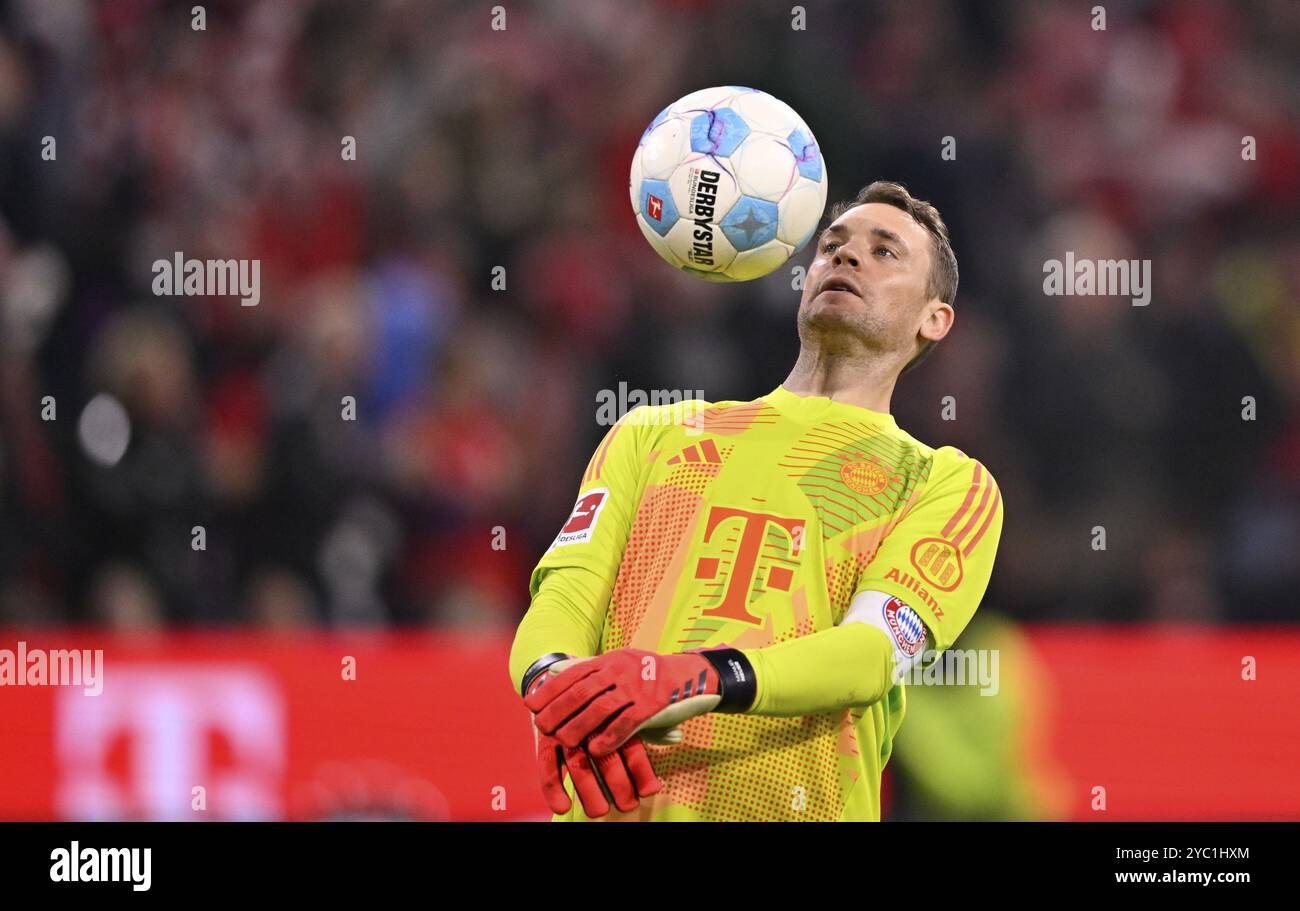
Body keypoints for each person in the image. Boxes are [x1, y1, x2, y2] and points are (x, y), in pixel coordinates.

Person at [510, 181, 1003, 821]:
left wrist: (697, 679)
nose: (846, 258)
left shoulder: (943, 482)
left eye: (885, 252)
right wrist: (557, 690)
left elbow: (870, 654)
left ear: (933, 319)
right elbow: (565, 599)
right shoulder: (653, 433)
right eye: (832, 246)